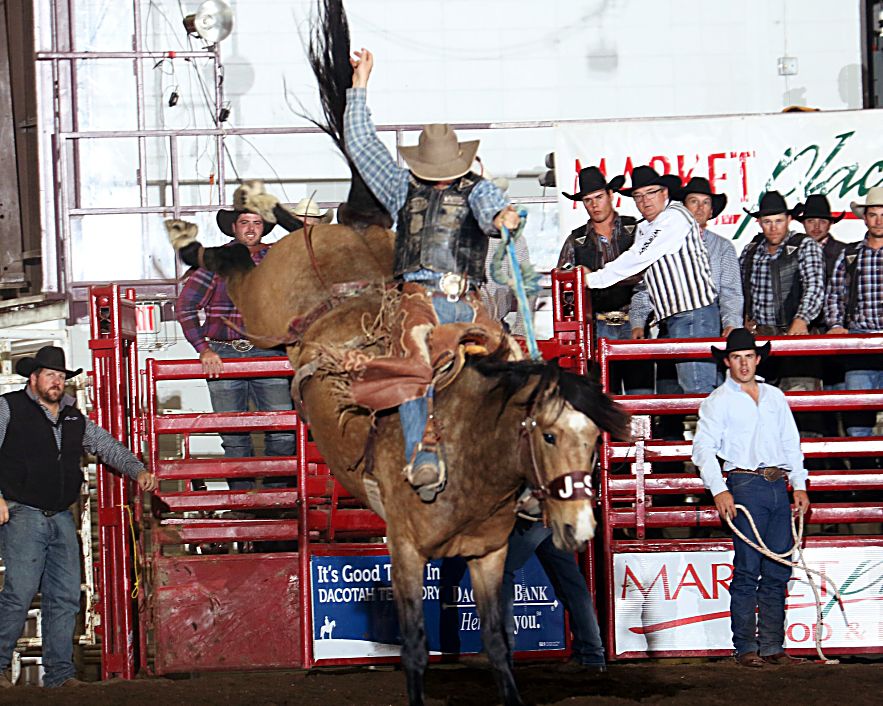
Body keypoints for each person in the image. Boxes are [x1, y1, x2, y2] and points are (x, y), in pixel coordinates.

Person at [344, 48, 520, 500]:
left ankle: (519, 464)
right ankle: (421, 454)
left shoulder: (479, 190)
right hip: (417, 296)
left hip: (467, 298)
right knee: (412, 363)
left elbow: (488, 211)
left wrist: (503, 216)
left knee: (511, 362)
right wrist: (360, 84)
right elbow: (363, 145)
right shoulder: (402, 185)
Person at [0, 346, 157, 688]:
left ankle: (60, 675)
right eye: (50, 375)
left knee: (66, 595)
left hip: (59, 515)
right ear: (34, 377)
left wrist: (136, 469)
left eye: (61, 377)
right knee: (20, 592)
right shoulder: (7, 407)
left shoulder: (74, 419)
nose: (56, 382)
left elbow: (107, 446)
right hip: (22, 510)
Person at [691, 329, 809, 668]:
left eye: (748, 357)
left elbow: (791, 443)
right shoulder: (717, 401)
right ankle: (746, 647)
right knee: (748, 569)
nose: (743, 364)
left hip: (777, 483)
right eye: (737, 358)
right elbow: (702, 449)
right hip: (744, 483)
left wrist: (799, 484)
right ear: (728, 362)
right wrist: (720, 488)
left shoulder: (774, 396)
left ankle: (771, 646)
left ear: (757, 359)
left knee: (777, 569)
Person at [175, 207, 297, 489]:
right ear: (234, 227)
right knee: (233, 433)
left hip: (268, 350)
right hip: (224, 352)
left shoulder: (277, 258)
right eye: (245, 223)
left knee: (283, 432)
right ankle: (242, 497)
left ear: (263, 228)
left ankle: (276, 496)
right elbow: (185, 305)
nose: (251, 228)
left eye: (257, 223)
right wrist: (203, 349)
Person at [579, 166, 719, 394]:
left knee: (697, 388)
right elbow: (643, 276)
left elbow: (638, 257)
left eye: (651, 193)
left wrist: (593, 279)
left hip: (693, 314)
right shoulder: (647, 227)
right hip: (678, 317)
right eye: (638, 196)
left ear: (665, 192)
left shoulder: (674, 217)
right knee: (690, 387)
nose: (645, 201)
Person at [557, 166, 652, 395]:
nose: (594, 205)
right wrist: (577, 273)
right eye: (588, 200)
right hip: (597, 326)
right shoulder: (576, 239)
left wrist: (591, 277)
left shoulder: (637, 229)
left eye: (598, 197)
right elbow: (563, 282)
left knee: (641, 395)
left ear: (611, 195)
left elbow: (651, 274)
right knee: (603, 396)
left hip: (635, 321)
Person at [739, 191, 825, 434]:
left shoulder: (804, 245)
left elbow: (815, 286)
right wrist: (744, 319)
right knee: (762, 413)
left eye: (778, 220)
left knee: (802, 408)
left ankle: (810, 467)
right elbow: (741, 288)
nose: (773, 227)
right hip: (762, 341)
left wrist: (802, 319)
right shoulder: (751, 250)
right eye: (767, 221)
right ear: (759, 223)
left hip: (794, 337)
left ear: (788, 220)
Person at [502, 516, 605, 671]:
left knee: (499, 571)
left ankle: (499, 651)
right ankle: (591, 655)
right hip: (559, 517)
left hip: (535, 517)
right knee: (571, 585)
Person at [825, 186, 883, 436]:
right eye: (873, 214)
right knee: (857, 418)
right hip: (860, 341)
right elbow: (834, 295)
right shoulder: (850, 255)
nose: (878, 221)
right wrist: (836, 324)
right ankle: (864, 467)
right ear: (865, 218)